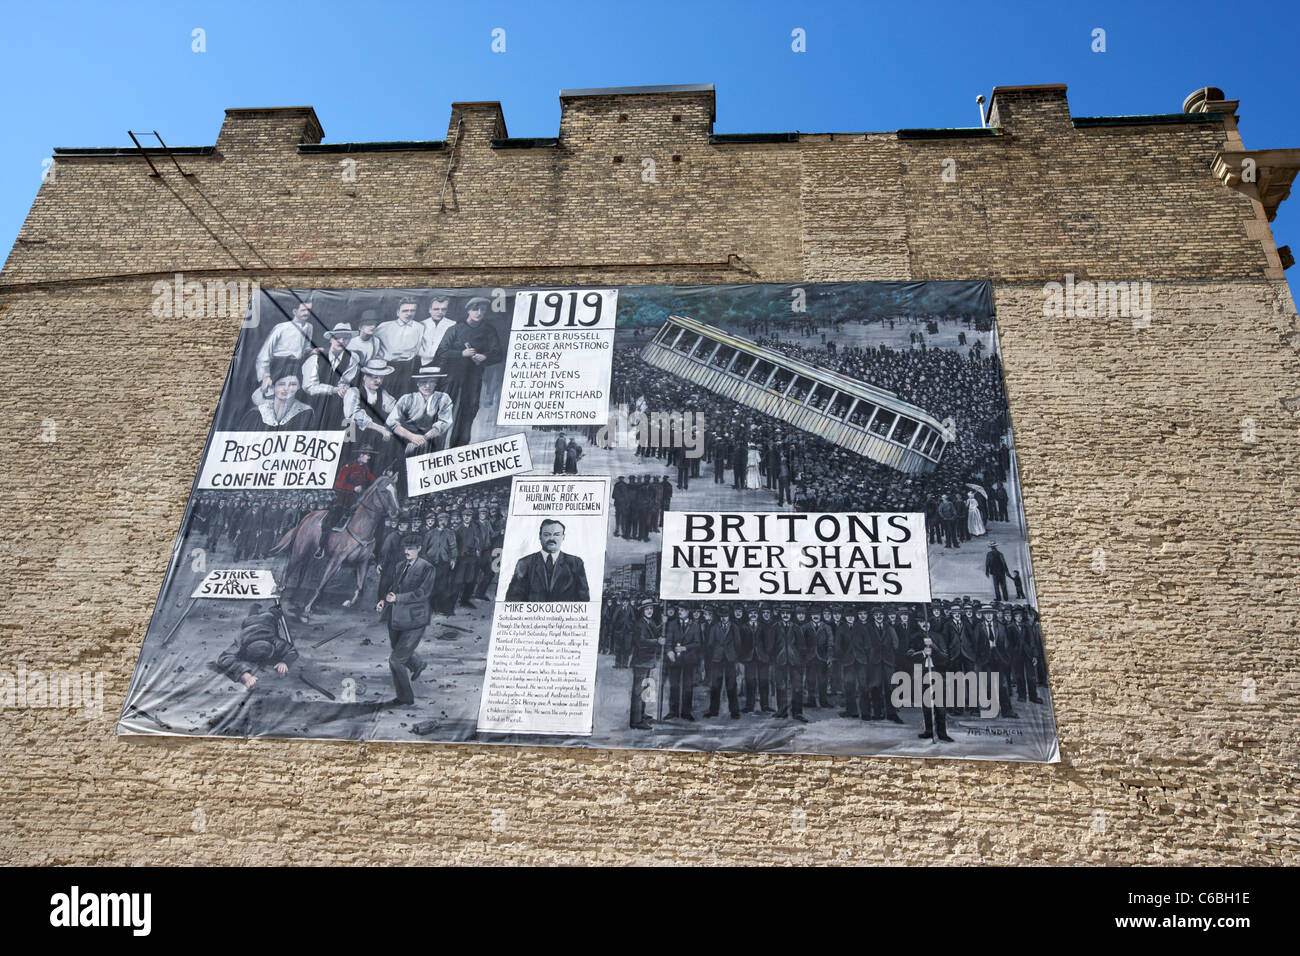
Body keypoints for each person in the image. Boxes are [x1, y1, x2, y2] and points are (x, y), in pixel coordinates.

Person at [434, 296, 504, 448]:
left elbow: (498, 354)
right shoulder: (455, 329)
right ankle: (435, 446)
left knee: (469, 409)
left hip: (473, 377)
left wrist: (485, 357)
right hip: (451, 376)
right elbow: (441, 352)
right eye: (475, 309)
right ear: (468, 311)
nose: (479, 313)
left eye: (482, 310)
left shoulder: (488, 331)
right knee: (444, 410)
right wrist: (461, 354)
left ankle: (458, 448)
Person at [376, 533, 435, 705]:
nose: (406, 551)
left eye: (411, 548)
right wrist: (384, 601)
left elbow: (422, 593)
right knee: (398, 649)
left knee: (396, 661)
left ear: (419, 549)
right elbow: (394, 587)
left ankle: (405, 697)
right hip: (397, 617)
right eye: (405, 548)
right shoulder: (400, 565)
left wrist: (398, 598)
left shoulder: (427, 568)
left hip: (415, 620)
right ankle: (417, 664)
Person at [215, 603, 297, 690]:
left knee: (272, 614)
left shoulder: (274, 641)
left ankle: (272, 610)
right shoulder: (241, 641)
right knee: (254, 617)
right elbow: (224, 658)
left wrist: (284, 662)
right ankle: (254, 609)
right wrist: (244, 675)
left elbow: (292, 650)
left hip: (268, 621)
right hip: (249, 623)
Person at [504, 519, 590, 602]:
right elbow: (513, 599)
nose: (551, 538)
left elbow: (584, 601)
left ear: (563, 537)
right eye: (547, 535)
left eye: (556, 535)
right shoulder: (525, 563)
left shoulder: (575, 563)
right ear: (540, 536)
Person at [315, 444, 377, 558]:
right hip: (343, 501)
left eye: (369, 456)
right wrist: (353, 488)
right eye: (367, 455)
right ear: (361, 455)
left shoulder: (365, 469)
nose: (369, 458)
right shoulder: (347, 467)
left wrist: (384, 477)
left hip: (357, 503)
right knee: (329, 522)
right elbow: (338, 484)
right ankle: (321, 547)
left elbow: (373, 480)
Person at [387, 364, 454, 455]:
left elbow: (445, 422)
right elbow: (391, 422)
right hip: (405, 440)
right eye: (423, 382)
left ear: (436, 383)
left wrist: (423, 439)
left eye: (432, 382)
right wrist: (412, 437)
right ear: (418, 383)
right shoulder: (407, 399)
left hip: (432, 441)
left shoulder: (443, 398)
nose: (427, 386)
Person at [302, 322, 359, 427]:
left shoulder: (352, 358)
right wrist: (333, 389)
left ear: (350, 340)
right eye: (337, 337)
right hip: (314, 404)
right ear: (331, 339)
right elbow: (309, 387)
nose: (341, 341)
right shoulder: (315, 358)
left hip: (338, 405)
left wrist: (342, 389)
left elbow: (346, 381)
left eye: (346, 338)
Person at [238, 358, 313, 431]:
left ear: (299, 386)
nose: (286, 388)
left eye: (292, 384)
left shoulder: (306, 412)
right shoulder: (256, 414)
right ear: (274, 386)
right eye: (281, 384)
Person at [255, 299, 315, 389]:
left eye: (309, 310)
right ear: (295, 311)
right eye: (303, 310)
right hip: (278, 366)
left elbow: (305, 348)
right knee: (273, 393)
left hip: (296, 367)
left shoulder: (309, 327)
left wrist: (311, 351)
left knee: (292, 393)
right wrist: (265, 376)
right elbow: (265, 353)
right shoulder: (281, 328)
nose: (306, 313)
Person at [374, 299, 424, 397]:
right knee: (386, 395)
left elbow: (418, 347)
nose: (409, 314)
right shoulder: (385, 326)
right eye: (405, 311)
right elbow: (373, 342)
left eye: (412, 310)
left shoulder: (419, 327)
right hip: (388, 366)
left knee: (404, 395)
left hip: (407, 367)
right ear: (398, 312)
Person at [629, 599, 664, 730]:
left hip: (648, 661)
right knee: (638, 692)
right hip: (641, 661)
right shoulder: (640, 624)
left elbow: (655, 632)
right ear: (642, 611)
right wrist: (657, 641)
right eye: (647, 609)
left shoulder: (650, 622)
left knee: (644, 690)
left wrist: (663, 623)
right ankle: (636, 721)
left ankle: (641, 715)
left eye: (651, 609)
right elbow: (641, 641)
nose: (649, 611)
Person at [702, 607, 741, 719]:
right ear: (719, 617)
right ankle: (713, 711)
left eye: (726, 616)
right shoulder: (714, 627)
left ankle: (734, 711)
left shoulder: (734, 627)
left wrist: (734, 657)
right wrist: (714, 655)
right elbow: (710, 644)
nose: (724, 618)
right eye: (722, 616)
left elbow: (738, 643)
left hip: (730, 660)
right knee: (715, 686)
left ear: (729, 616)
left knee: (731, 686)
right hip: (717, 660)